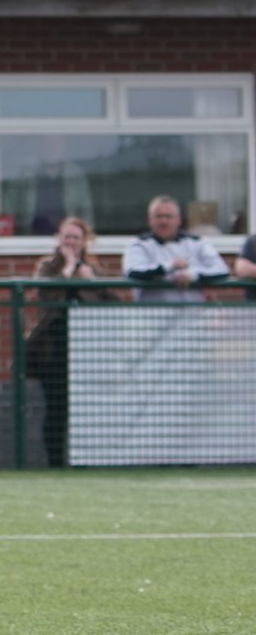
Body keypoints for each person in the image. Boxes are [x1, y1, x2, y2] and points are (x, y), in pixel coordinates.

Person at [27, 217, 111, 469]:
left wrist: (90, 281)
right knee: (56, 406)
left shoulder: (93, 269)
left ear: (85, 240)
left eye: (76, 237)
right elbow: (44, 295)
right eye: (66, 237)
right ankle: (56, 463)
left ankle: (85, 460)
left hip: (87, 347)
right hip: (53, 349)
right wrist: (68, 268)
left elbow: (113, 299)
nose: (70, 242)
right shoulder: (48, 266)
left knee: (85, 407)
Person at [123, 196, 231, 303]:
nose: (163, 221)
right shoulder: (139, 245)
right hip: (154, 317)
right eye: (158, 216)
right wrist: (169, 267)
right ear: (149, 220)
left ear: (178, 220)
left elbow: (222, 270)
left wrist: (193, 275)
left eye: (168, 216)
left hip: (193, 317)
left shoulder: (197, 242)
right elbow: (133, 272)